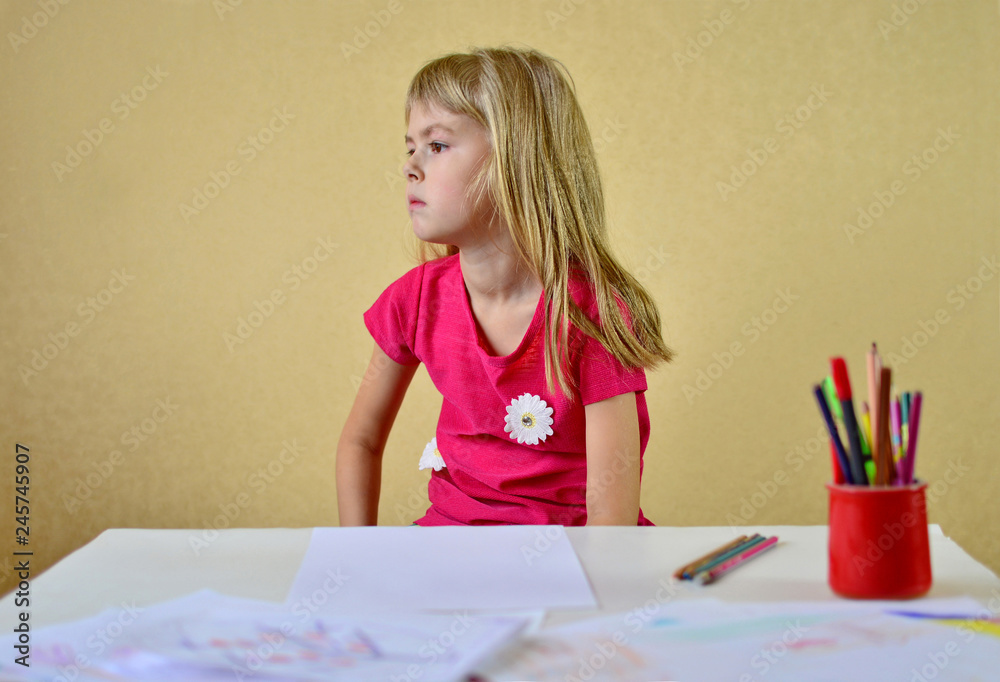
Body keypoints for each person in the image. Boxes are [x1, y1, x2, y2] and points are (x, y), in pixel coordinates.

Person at [337, 46, 672, 527]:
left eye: (436, 145)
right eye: (410, 147)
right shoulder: (413, 301)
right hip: (451, 546)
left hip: (576, 560)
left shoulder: (593, 313)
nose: (410, 166)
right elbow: (360, 441)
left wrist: (592, 595)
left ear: (514, 159)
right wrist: (358, 557)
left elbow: (610, 520)